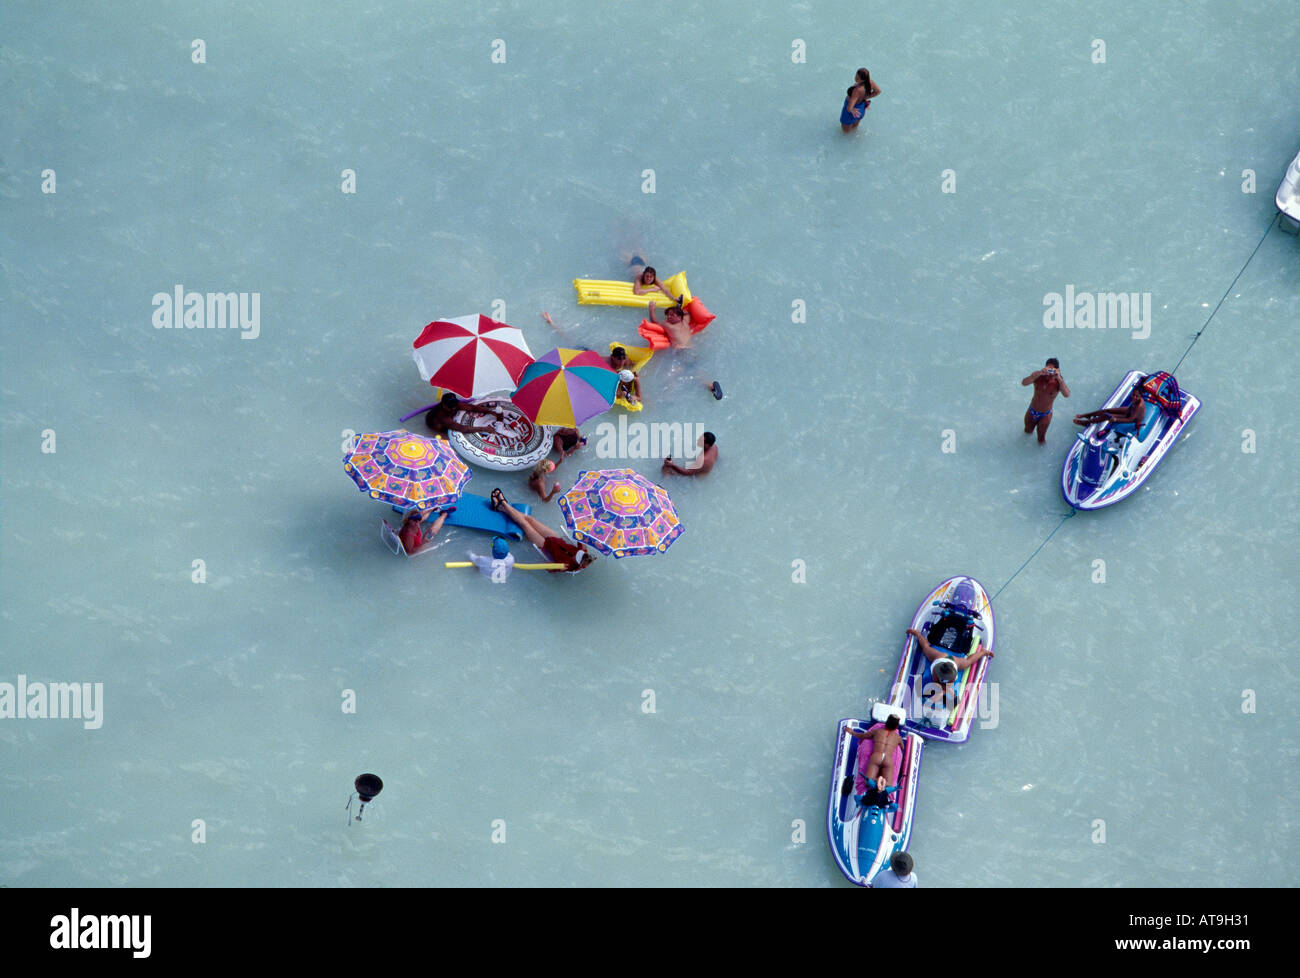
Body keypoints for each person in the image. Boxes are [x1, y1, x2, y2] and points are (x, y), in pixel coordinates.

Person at [490, 489, 596, 573]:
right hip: (556, 539)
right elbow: (580, 535)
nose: (577, 554)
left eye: (576, 557)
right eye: (579, 554)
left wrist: (558, 568)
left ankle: (504, 504)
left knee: (524, 524)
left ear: (577, 563)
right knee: (530, 519)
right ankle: (501, 507)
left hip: (545, 545)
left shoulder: (567, 566)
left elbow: (548, 569)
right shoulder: (584, 552)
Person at [906, 627, 994, 719]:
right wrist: (918, 634)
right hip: (938, 665)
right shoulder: (936, 657)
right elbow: (925, 646)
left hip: (950, 669)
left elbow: (970, 660)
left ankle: (982, 652)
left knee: (951, 699)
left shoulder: (959, 664)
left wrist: (983, 653)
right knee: (926, 650)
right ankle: (918, 633)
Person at [847, 714, 904, 792]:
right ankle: (882, 783)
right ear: (896, 726)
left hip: (876, 757)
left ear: (886, 722)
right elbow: (902, 748)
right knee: (889, 784)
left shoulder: (877, 732)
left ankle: (877, 781)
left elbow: (862, 736)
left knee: (868, 781)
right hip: (888, 760)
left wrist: (852, 732)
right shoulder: (898, 738)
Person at [1020, 358, 1071, 445]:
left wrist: (1058, 378)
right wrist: (1038, 374)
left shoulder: (1058, 382)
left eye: (1051, 370)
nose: (1048, 372)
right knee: (1027, 431)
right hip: (1032, 411)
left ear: (1057, 370)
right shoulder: (1038, 376)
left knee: (1041, 438)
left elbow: (1067, 394)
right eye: (1048, 369)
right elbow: (1023, 383)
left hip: (1045, 415)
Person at [1073, 384, 1145, 434]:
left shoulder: (1139, 406)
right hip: (1130, 412)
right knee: (1107, 410)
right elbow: (1130, 408)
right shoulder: (1135, 400)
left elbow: (1130, 419)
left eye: (1137, 396)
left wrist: (1116, 419)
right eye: (1133, 394)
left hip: (1132, 419)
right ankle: (1087, 415)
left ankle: (1086, 422)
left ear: (1140, 396)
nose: (1134, 397)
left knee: (1106, 415)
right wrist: (1124, 412)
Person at [424, 391, 501, 437]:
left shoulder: (456, 405)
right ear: (443, 405)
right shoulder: (442, 416)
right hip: (438, 427)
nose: (453, 408)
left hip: (450, 420)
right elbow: (462, 428)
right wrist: (484, 428)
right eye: (450, 406)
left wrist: (490, 411)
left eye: (454, 405)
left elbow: (472, 408)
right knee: (456, 433)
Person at [840, 67, 882, 133]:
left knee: (845, 133)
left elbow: (849, 108)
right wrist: (865, 97)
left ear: (863, 80)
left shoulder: (857, 90)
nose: (855, 78)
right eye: (855, 76)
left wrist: (851, 109)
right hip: (861, 109)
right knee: (854, 128)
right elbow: (878, 91)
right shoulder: (870, 82)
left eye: (857, 78)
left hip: (853, 112)